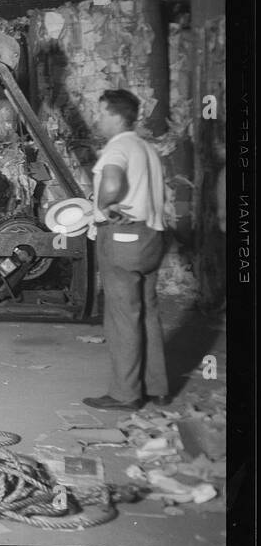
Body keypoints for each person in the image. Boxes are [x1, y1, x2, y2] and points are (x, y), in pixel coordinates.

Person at [82, 89, 169, 412]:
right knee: (147, 312)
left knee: (122, 317)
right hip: (151, 236)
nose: (98, 119)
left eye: (102, 113)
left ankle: (125, 394)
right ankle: (156, 387)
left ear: (117, 116)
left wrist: (103, 206)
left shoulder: (118, 147)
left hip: (122, 239)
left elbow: (113, 183)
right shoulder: (146, 148)